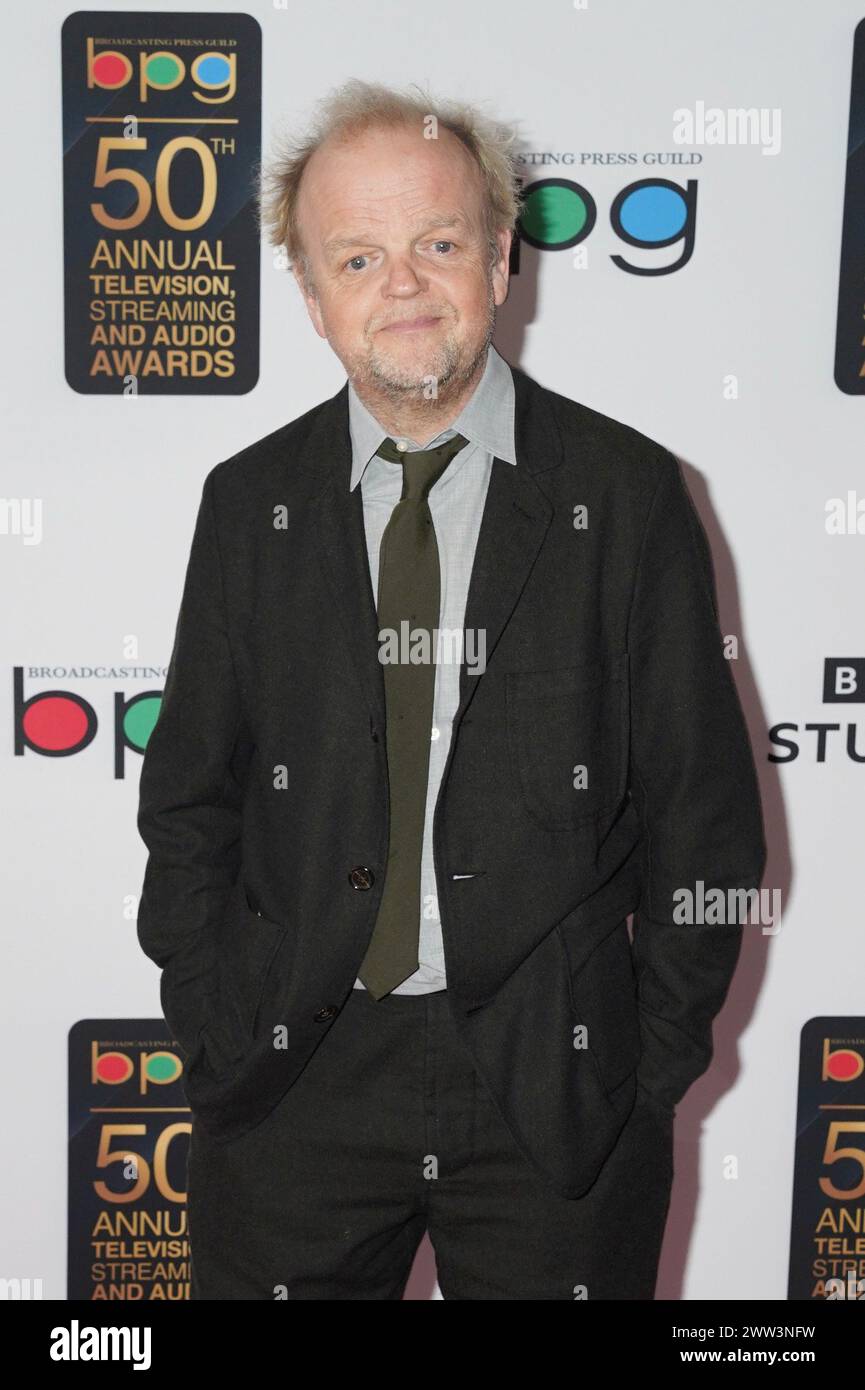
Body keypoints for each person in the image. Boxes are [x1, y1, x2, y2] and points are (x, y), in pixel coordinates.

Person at [136, 78, 766, 1300]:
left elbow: (706, 817)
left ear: (500, 258)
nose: (405, 284)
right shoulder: (245, 503)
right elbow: (188, 799)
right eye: (358, 256)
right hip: (290, 1079)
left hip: (555, 1088)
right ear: (314, 299)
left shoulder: (627, 497)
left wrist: (645, 1068)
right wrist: (214, 1014)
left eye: (437, 242)